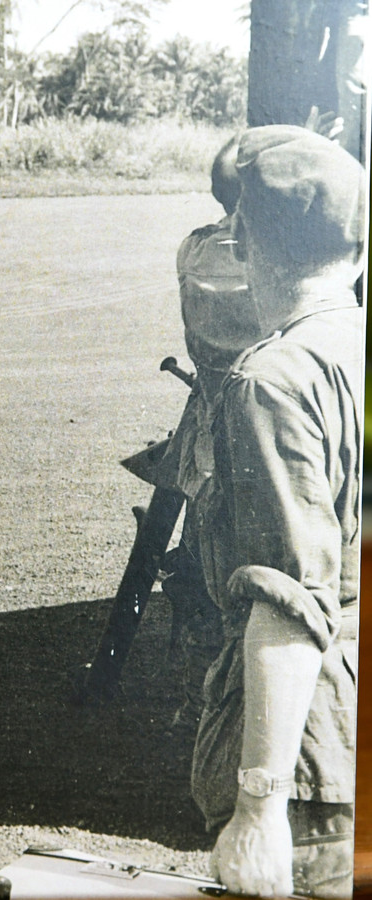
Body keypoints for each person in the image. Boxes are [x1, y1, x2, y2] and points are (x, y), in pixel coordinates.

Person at [190, 125, 364, 898]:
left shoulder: (273, 380)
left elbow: (289, 602)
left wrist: (258, 806)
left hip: (308, 755)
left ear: (241, 239)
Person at [156, 135, 265, 730]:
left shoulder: (193, 249)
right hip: (256, 438)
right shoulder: (262, 259)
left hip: (209, 444)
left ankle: (208, 705)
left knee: (213, 569)